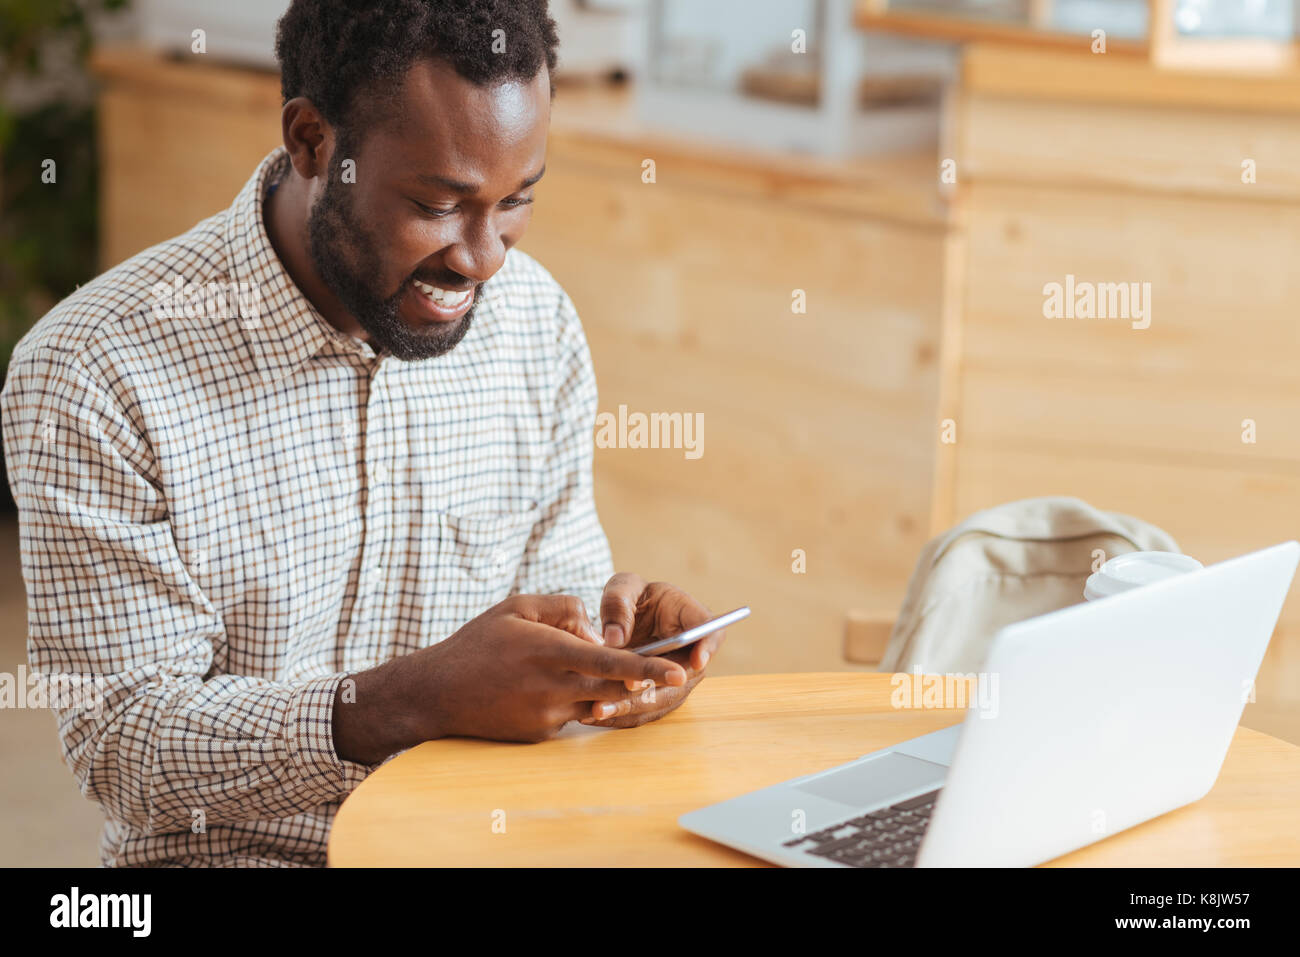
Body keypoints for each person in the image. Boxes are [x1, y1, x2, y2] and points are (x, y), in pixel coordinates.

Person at [0, 0, 725, 867]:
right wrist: (404, 702)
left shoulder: (536, 324)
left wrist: (613, 658)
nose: (484, 257)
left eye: (516, 201)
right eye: (437, 202)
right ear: (312, 142)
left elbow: (557, 603)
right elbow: (126, 745)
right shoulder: (96, 371)